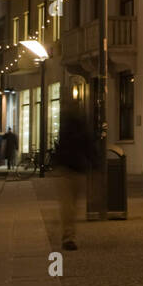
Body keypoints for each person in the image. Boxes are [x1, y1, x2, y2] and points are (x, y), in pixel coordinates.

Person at [52, 104, 98, 251]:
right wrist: (95, 165)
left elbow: (60, 147)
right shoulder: (83, 127)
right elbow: (89, 146)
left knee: (67, 204)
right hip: (78, 169)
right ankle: (68, 235)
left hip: (65, 169)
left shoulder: (65, 127)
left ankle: (68, 235)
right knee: (73, 204)